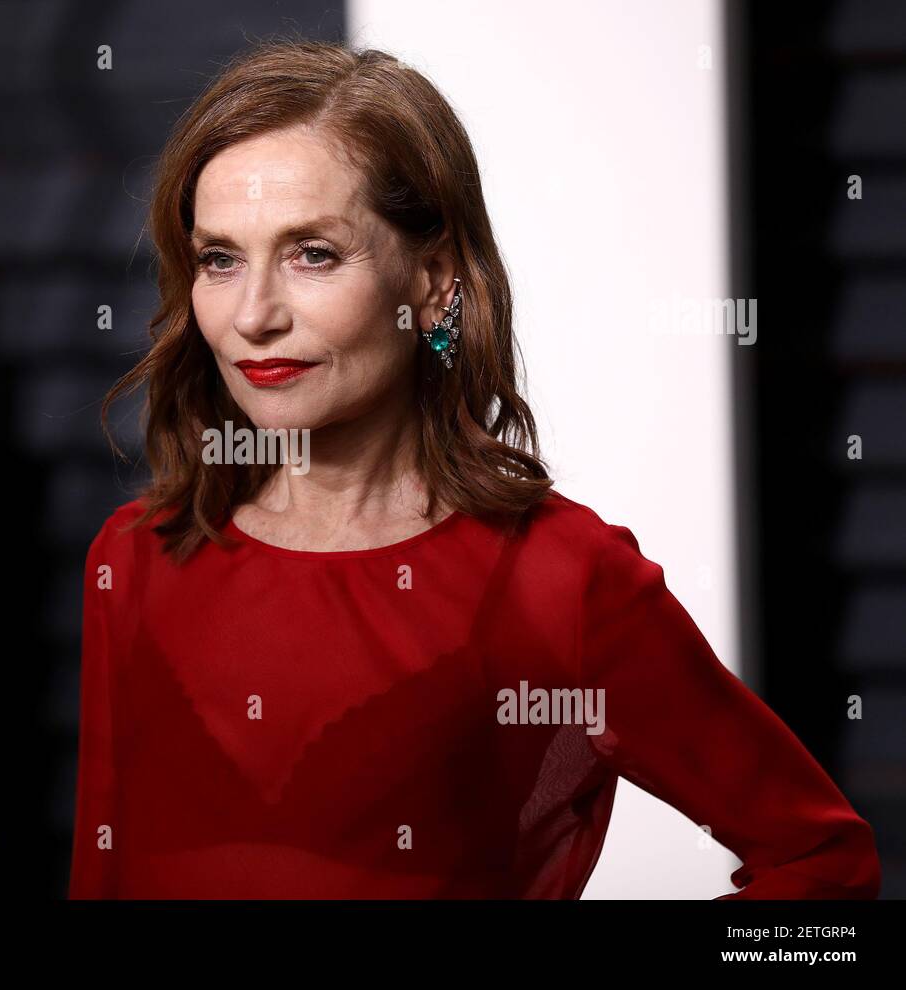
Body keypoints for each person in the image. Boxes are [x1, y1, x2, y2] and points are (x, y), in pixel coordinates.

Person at [67, 39, 880, 898]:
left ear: (432, 280)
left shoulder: (561, 581)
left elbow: (825, 864)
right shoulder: (137, 557)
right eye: (220, 259)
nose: (252, 315)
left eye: (313, 254)